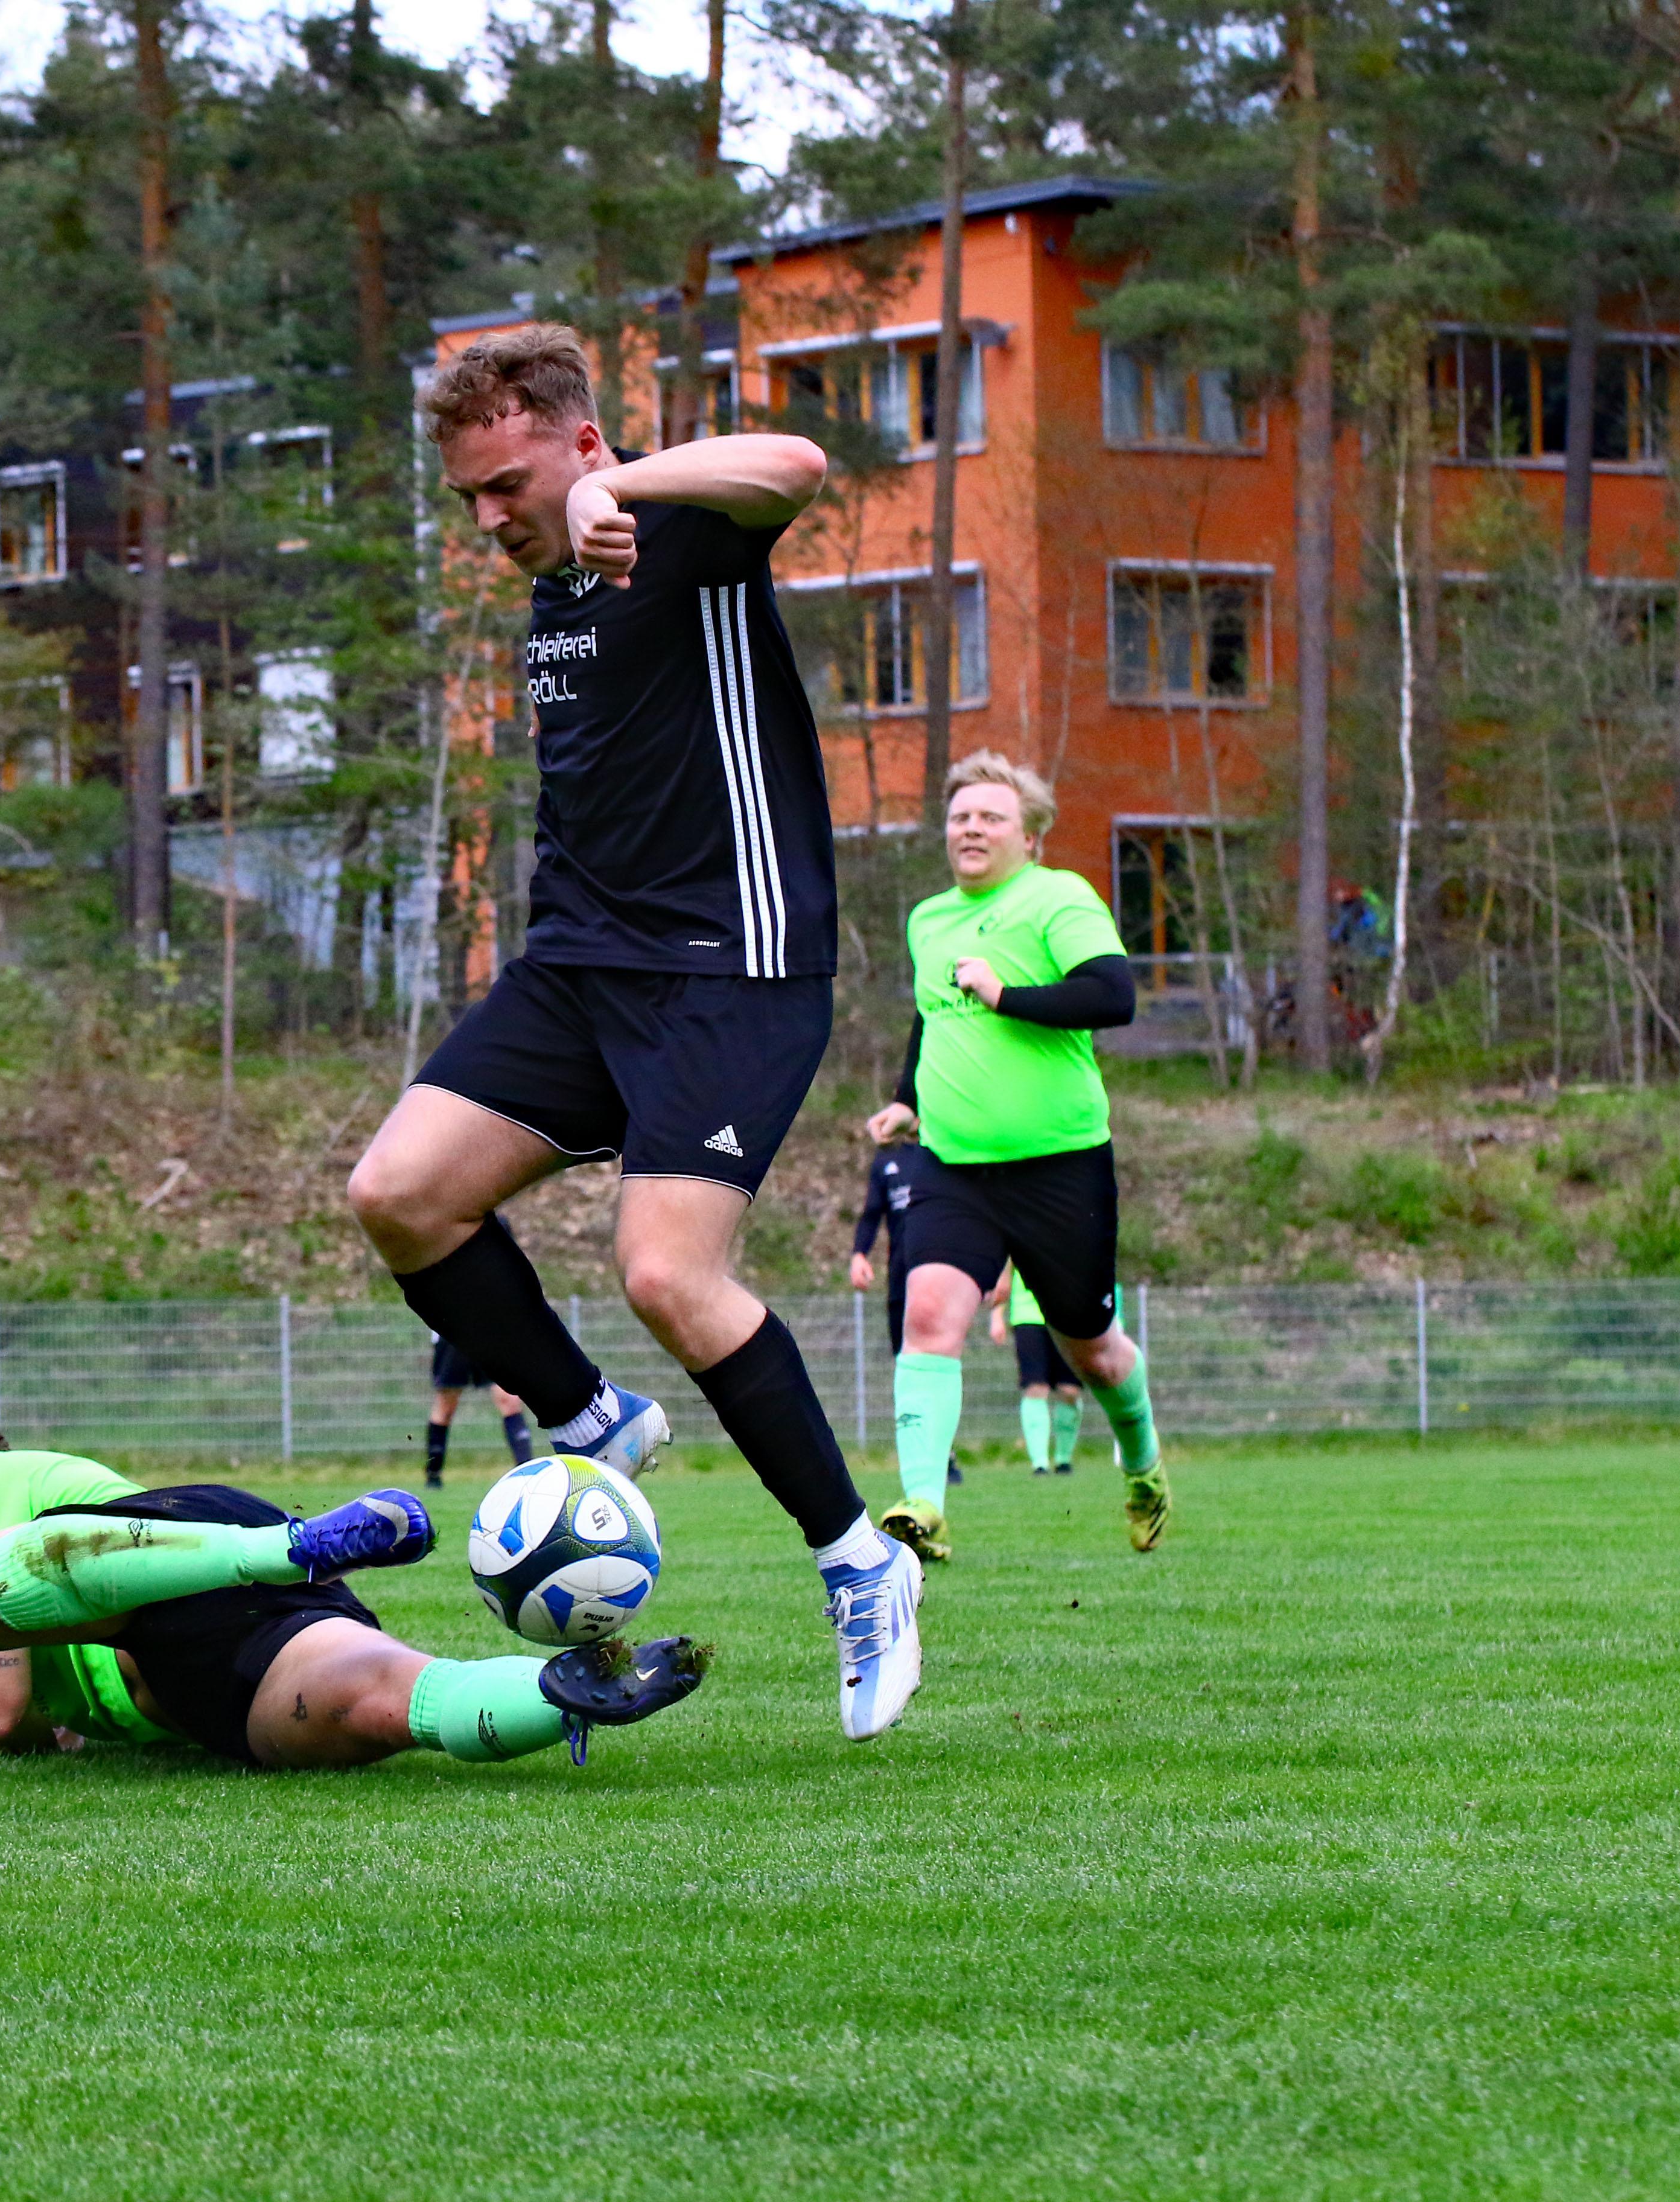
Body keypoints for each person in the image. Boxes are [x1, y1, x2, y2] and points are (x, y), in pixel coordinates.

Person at [343, 322, 923, 1740]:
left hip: (727, 970)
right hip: (576, 969)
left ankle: (861, 1562)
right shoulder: (552, 594)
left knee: (668, 1272)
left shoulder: (672, 530)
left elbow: (795, 461)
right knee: (399, 1195)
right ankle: (591, 1419)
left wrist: (635, 489)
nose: (487, 518)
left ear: (579, 442)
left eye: (507, 484)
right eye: (466, 497)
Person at [0, 1391, 707, 1769]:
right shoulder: (19, 1575)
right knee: (389, 1705)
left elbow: (3, 1718)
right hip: (210, 1655)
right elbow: (7, 1702)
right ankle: (571, 1696)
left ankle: (287, 1548)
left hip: (188, 1549)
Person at [864, 753, 1162, 1563]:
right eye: (960, 817)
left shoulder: (1056, 898)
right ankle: (924, 1504)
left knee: (1091, 1347)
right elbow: (933, 1020)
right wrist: (910, 1103)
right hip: (953, 1166)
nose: (971, 829)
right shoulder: (928, 920)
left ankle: (1142, 1464)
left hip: (1061, 1163)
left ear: (1029, 836)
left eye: (990, 817)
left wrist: (1007, 996)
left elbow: (1113, 996)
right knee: (928, 1318)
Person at [846, 1139, 959, 1489]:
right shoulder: (887, 1162)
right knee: (907, 1367)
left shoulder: (944, 1150)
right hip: (900, 1280)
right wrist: (859, 1254)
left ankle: (945, 1456)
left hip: (940, 1275)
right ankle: (920, 1457)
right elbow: (871, 1213)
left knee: (937, 1363)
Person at [986, 1263, 1081, 1475]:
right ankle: (1040, 1463)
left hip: (1070, 1315)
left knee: (1070, 1391)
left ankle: (1064, 1459)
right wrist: (997, 1316)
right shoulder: (1021, 1228)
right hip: (1028, 1316)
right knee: (1035, 1387)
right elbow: (1004, 1269)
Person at [424, 1330, 535, 1490]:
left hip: (489, 1330)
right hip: (452, 1329)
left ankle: (527, 1471)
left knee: (509, 1399)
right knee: (446, 1405)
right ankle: (433, 1474)